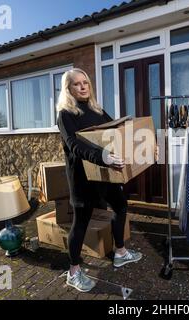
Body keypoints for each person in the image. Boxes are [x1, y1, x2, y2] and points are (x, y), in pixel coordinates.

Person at [57, 68, 142, 293]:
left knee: (120, 205)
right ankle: (73, 272)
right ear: (68, 89)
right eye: (77, 84)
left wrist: (135, 136)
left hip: (106, 174)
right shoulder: (66, 114)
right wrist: (103, 156)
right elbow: (75, 145)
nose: (83, 87)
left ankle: (120, 253)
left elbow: (115, 131)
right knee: (82, 221)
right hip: (83, 178)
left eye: (85, 82)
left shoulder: (97, 109)